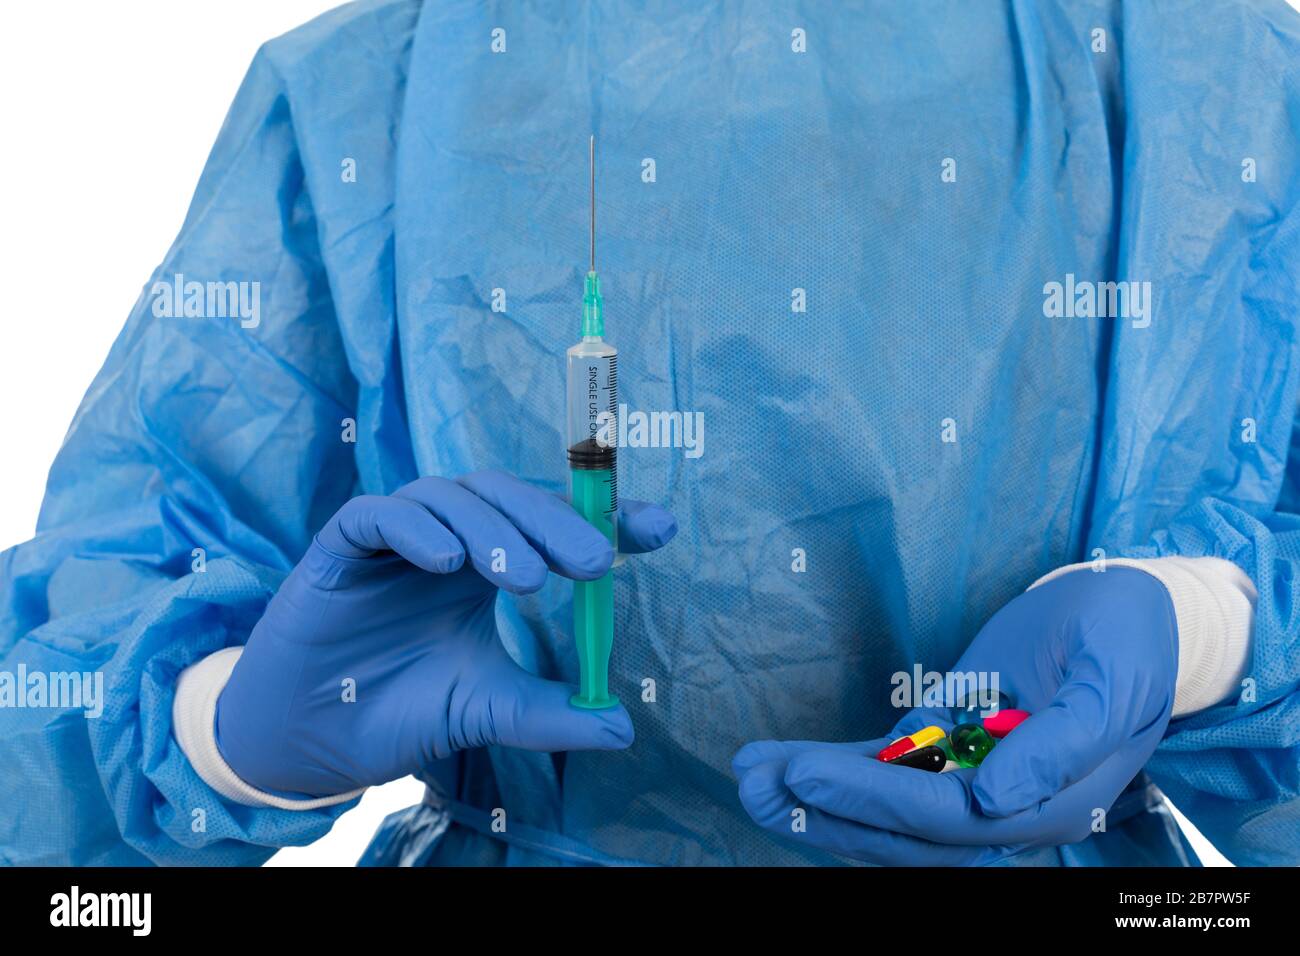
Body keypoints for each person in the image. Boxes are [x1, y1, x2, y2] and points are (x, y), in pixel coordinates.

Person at [2, 0, 1298, 867]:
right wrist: (220, 728)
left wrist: (1209, 627)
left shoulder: (1194, 82)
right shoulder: (370, 102)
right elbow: (49, 754)